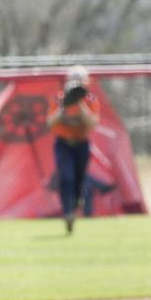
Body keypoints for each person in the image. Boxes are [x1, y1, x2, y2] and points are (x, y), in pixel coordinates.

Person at [46, 65, 98, 234]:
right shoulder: (59, 99)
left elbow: (92, 124)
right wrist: (65, 106)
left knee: (79, 179)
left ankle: (76, 203)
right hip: (64, 144)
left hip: (81, 144)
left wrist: (80, 103)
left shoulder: (89, 100)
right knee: (66, 177)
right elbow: (50, 123)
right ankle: (68, 212)